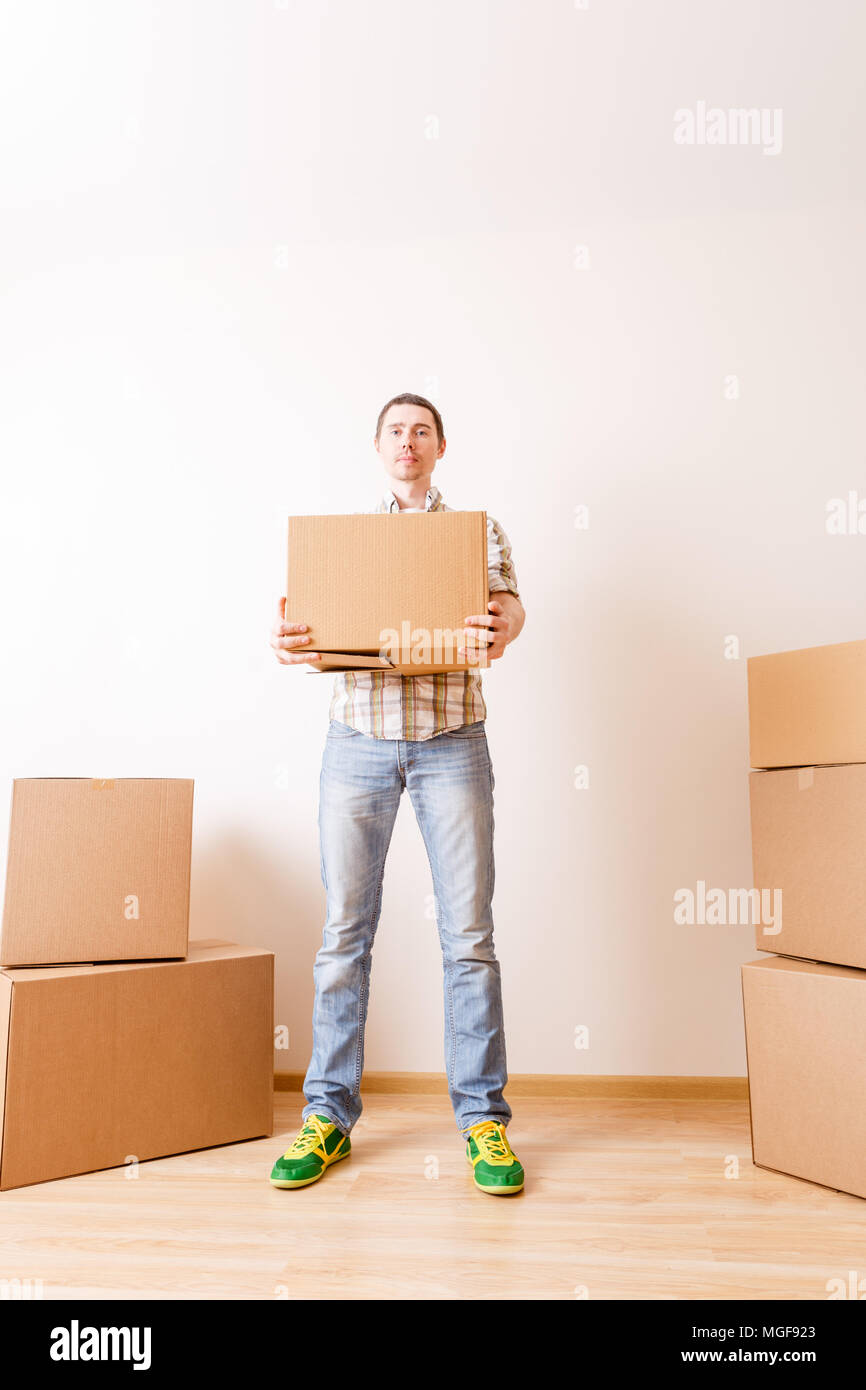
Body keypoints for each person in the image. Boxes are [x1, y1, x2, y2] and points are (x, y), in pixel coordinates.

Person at [268, 393, 526, 1196]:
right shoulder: (350, 542)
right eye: (395, 430)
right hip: (359, 742)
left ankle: (483, 1121)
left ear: (441, 447)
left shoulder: (474, 533)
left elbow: (510, 607)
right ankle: (328, 1118)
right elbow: (312, 629)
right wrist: (292, 638)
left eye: (422, 430)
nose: (408, 441)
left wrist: (502, 626)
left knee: (469, 936)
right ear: (379, 447)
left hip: (452, 739)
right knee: (344, 933)